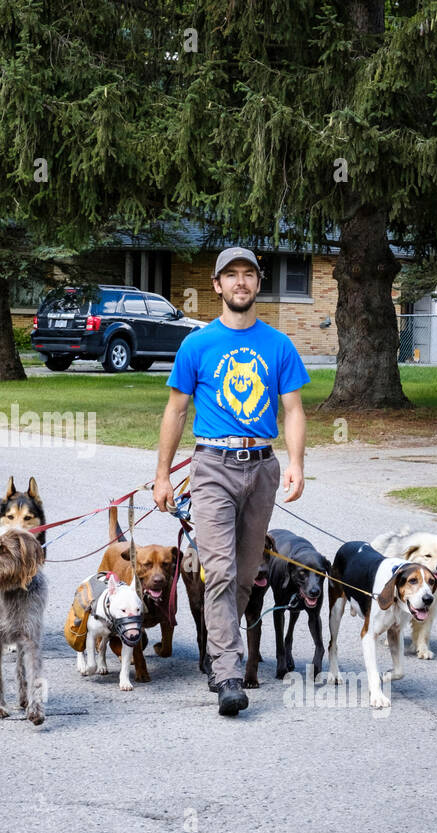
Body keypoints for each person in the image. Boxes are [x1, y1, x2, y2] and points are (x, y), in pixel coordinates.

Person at [152, 247, 309, 717]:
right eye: (231, 276)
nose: (240, 283)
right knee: (218, 570)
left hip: (262, 467)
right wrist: (162, 474)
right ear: (216, 286)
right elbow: (176, 410)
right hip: (212, 466)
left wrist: (297, 462)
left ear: (257, 285)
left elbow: (294, 409)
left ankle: (222, 647)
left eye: (249, 275)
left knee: (244, 575)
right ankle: (227, 671)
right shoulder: (197, 345)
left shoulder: (278, 345)